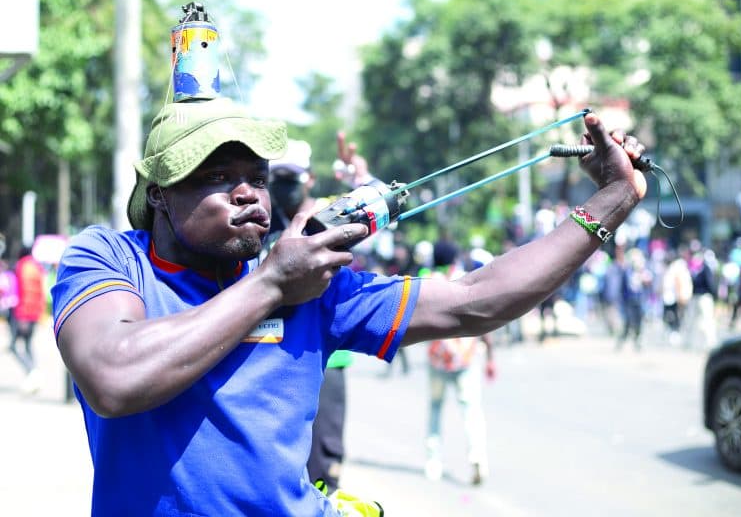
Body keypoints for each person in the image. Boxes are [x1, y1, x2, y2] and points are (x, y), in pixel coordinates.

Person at [51, 97, 647, 516]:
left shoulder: (314, 284)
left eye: (257, 178)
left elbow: (476, 300)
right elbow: (115, 376)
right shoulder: (109, 258)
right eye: (218, 176)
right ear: (158, 193)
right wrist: (270, 286)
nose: (248, 193)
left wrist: (614, 200)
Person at [264, 137, 355, 494]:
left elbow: (380, 206)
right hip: (273, 351)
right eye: (278, 178)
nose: (285, 186)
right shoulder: (261, 221)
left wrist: (358, 176)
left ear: (310, 179)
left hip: (329, 355)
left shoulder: (329, 216)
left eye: (293, 178)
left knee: (324, 459)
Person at [422, 239, 495, 485]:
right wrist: (490, 354)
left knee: (435, 408)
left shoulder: (427, 281)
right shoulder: (466, 279)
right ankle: (477, 458)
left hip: (436, 357)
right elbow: (481, 317)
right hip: (465, 356)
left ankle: (433, 462)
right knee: (471, 411)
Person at [11, 247, 46, 393]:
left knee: (13, 345)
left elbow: (23, 291)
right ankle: (33, 375)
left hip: (23, 313)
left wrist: (22, 316)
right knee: (28, 345)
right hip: (34, 312)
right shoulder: (37, 267)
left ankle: (31, 371)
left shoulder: (21, 266)